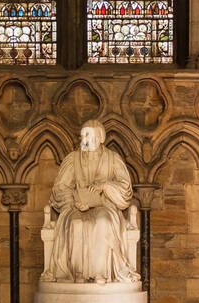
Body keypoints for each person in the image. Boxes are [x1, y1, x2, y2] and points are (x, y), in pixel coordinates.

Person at [43, 122, 140, 284]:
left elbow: (125, 189)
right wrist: (75, 200)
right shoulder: (73, 159)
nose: (87, 140)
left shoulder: (113, 159)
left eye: (91, 135)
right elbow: (60, 188)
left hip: (105, 207)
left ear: (101, 138)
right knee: (75, 223)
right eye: (84, 136)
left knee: (102, 222)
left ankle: (99, 273)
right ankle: (78, 273)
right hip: (77, 206)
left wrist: (105, 187)